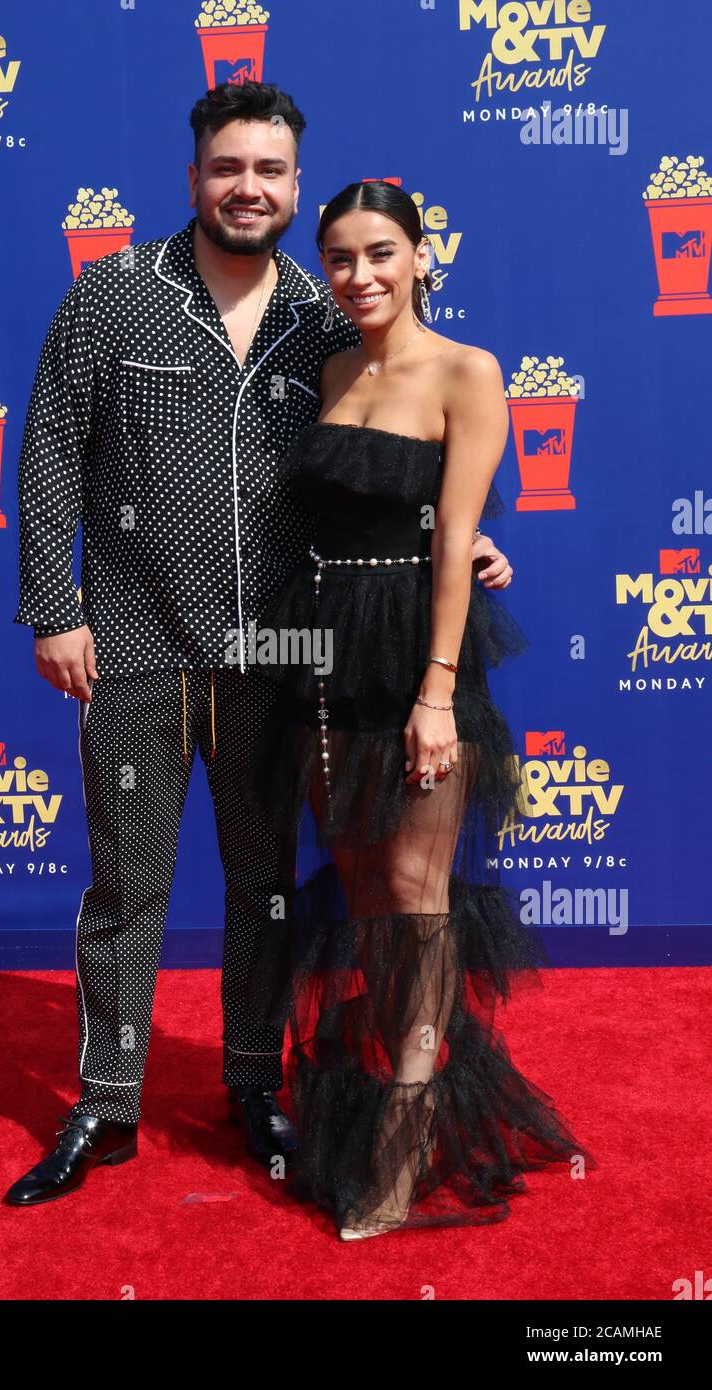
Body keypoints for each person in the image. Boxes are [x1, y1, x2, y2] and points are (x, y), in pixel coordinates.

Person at [4, 81, 516, 1207]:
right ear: (193, 179)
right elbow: (48, 448)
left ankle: (253, 1089)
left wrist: (462, 546)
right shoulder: (109, 297)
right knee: (125, 887)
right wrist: (55, 606)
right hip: (134, 635)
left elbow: (393, 457)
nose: (248, 187)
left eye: (269, 171)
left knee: (263, 888)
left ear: (293, 184)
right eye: (227, 168)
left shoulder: (325, 318)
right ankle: (106, 1101)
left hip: (281, 650)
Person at [241, 179, 596, 1239]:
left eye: (380, 253)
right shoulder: (325, 366)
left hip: (416, 656)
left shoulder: (467, 372)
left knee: (414, 884)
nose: (359, 275)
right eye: (341, 256)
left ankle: (408, 1126)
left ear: (421, 255)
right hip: (317, 652)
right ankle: (372, 1089)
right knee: (356, 882)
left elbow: (453, 536)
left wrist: (436, 692)